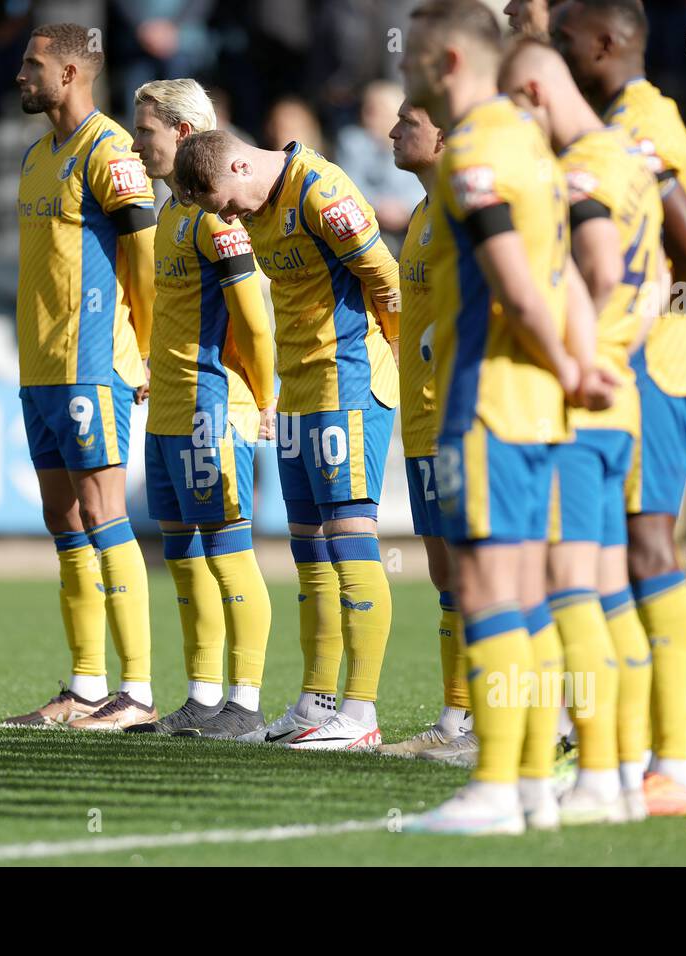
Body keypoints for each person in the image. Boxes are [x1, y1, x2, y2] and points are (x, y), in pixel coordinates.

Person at [552, 0, 686, 817]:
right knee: (616, 553)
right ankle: (632, 756)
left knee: (642, 552)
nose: (562, 53)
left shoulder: (642, 127)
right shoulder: (616, 120)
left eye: (568, 40)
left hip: (658, 365)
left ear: (606, 43)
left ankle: (670, 765)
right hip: (640, 362)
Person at [399, 0, 582, 836]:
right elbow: (564, 268)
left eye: (411, 61)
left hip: (492, 399)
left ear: (447, 65)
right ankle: (537, 779)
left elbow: (515, 278)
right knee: (526, 590)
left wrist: (561, 353)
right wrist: (579, 363)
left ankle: (498, 784)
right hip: (538, 405)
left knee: (487, 590)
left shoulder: (472, 148)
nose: (400, 74)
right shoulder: (532, 144)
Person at [174, 127, 401, 753]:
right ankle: (316, 701)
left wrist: (399, 352)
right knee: (309, 550)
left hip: (347, 381)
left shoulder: (322, 192)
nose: (227, 217)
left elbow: (384, 273)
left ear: (242, 164)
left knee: (351, 538)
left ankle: (360, 712)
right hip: (299, 390)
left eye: (224, 202)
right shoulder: (256, 205)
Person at [501, 37, 668, 824]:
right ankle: (627, 770)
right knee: (607, 599)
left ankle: (599, 774)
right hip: (621, 400)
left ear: (535, 89)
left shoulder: (579, 171)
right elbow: (660, 278)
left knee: (569, 594)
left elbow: (599, 269)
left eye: (515, 106)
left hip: (578, 408)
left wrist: (578, 359)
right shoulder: (633, 160)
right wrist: (620, 349)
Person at [3, 22, 159, 732]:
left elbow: (145, 252)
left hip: (91, 363)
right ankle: (86, 685)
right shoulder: (38, 157)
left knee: (104, 515)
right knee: (63, 520)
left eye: (33, 65)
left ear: (70, 73)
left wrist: (148, 347)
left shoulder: (110, 150)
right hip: (39, 368)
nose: (21, 75)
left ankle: (138, 691)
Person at [128, 78, 277, 740]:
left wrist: (266, 399)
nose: (137, 142)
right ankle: (203, 697)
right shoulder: (169, 214)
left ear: (182, 133)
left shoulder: (217, 217)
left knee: (227, 552)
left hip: (211, 408)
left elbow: (254, 318)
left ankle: (244, 704)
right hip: (168, 409)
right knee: (184, 557)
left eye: (147, 130)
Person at [374, 98, 480, 762]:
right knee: (445, 573)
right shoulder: (419, 214)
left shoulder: (467, 210)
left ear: (442, 134)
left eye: (406, 122)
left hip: (459, 422)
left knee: (474, 571)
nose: (392, 132)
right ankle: (457, 719)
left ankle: (490, 720)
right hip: (419, 422)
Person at [334, 81, 425, 234]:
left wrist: (406, 207)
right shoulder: (351, 141)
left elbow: (424, 185)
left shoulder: (416, 143)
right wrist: (378, 207)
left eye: (380, 111)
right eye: (368, 110)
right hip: (365, 225)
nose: (371, 118)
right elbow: (347, 186)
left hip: (411, 224)